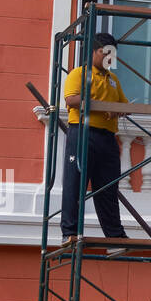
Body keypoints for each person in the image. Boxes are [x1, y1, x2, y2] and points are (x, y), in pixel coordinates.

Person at [61, 32, 129, 241]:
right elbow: (72, 100)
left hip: (107, 137)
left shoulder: (113, 79)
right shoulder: (79, 74)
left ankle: (114, 236)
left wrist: (115, 110)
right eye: (106, 53)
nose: (110, 58)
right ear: (95, 52)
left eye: (113, 54)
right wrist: (102, 108)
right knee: (75, 183)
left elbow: (124, 105)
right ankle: (69, 232)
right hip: (83, 132)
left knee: (108, 187)